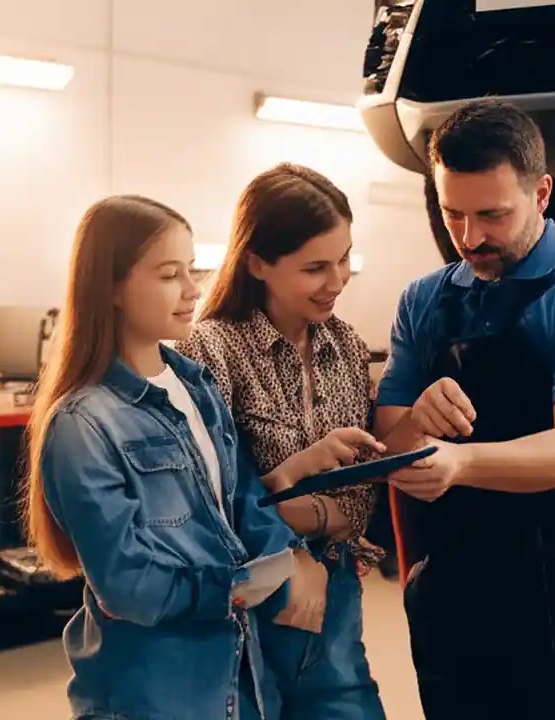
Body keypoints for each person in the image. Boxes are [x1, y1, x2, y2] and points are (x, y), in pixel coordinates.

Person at [375, 99, 555, 719]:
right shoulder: (422, 301)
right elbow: (389, 447)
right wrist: (417, 420)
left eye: (492, 215)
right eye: (453, 214)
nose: (470, 237)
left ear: (542, 193)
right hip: (459, 580)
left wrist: (459, 463)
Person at [23, 194, 328, 720]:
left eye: (192, 269)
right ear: (111, 287)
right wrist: (243, 586)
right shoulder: (83, 424)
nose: (193, 289)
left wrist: (291, 554)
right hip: (152, 692)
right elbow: (128, 585)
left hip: (235, 673)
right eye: (169, 275)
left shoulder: (195, 383)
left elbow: (240, 496)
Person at [177, 163, 388, 719]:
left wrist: (309, 513)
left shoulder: (346, 345)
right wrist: (296, 533)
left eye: (344, 259)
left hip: (335, 586)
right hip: (253, 592)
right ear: (257, 263)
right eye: (315, 268)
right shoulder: (212, 349)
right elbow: (207, 499)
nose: (337, 281)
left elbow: (358, 495)